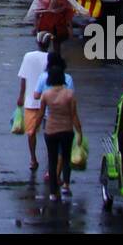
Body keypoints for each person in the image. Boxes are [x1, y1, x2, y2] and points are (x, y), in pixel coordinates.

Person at [40, 58, 82, 201]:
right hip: (66, 130)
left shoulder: (46, 95)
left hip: (50, 131)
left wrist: (34, 128)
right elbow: (74, 115)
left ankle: (52, 192)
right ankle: (66, 185)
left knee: (52, 161)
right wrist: (79, 132)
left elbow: (41, 114)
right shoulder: (70, 94)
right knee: (65, 159)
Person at [17, 32, 52, 171]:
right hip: (49, 102)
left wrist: (20, 96)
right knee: (49, 133)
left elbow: (23, 79)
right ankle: (51, 159)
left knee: (31, 132)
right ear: (48, 44)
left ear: (37, 43)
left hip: (31, 101)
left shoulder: (28, 56)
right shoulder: (52, 58)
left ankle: (33, 159)